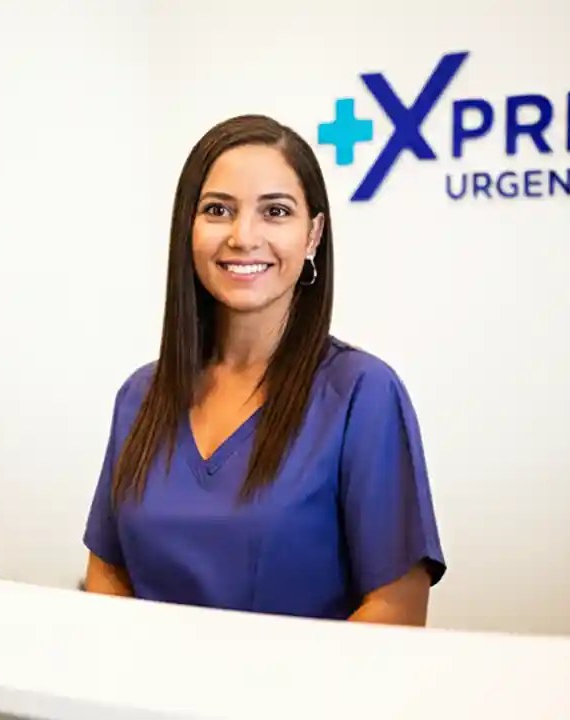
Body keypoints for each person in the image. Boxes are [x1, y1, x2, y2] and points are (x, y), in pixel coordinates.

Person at [82, 114, 445, 624]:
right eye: (217, 210)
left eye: (275, 211)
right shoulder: (141, 394)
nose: (243, 236)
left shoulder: (362, 394)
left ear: (313, 235)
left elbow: (396, 608)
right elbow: (108, 573)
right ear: (188, 227)